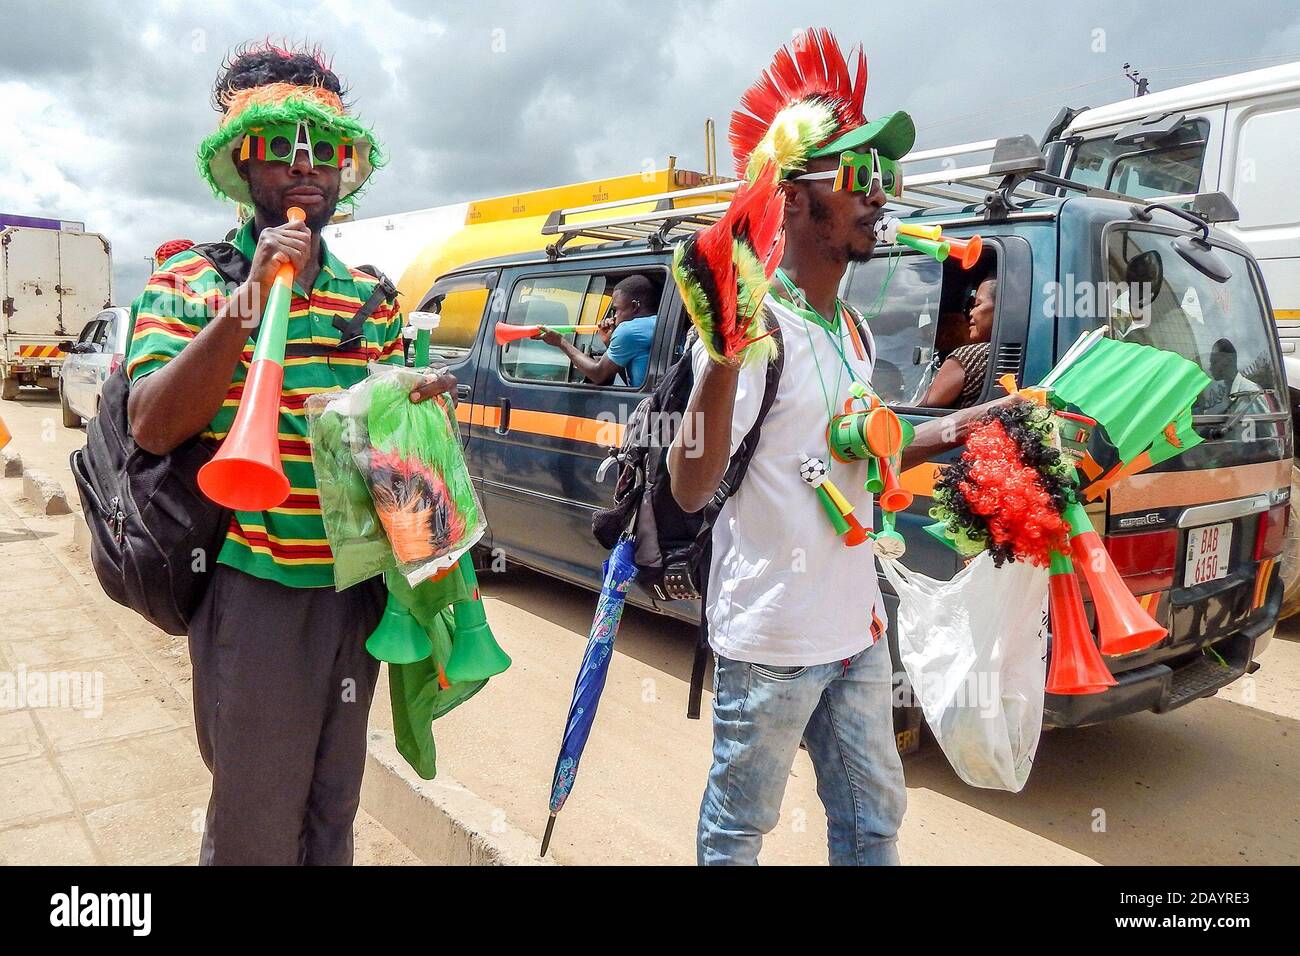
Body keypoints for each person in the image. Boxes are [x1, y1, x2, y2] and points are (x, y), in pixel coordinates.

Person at [667, 28, 1012, 866]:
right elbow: (688, 483)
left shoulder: (851, 330)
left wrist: (975, 424)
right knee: (740, 826)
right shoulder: (755, 333)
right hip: (776, 640)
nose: (880, 196)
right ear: (790, 198)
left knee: (871, 821)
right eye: (858, 178)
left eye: (884, 177)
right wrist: (721, 351)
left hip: (855, 627)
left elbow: (861, 450)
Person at [125, 43, 455, 865]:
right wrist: (246, 305)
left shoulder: (370, 297)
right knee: (254, 826)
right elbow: (150, 425)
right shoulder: (189, 280)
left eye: (328, 149)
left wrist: (414, 421)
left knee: (330, 812)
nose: (307, 168)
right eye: (280, 146)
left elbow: (385, 457)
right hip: (258, 591)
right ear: (243, 163)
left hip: (355, 592)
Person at [539, 274, 658, 386]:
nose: (614, 316)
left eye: (616, 309)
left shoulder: (629, 330)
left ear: (634, 306)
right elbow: (630, 379)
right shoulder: (657, 323)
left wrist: (560, 342)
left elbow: (598, 374)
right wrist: (609, 342)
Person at [920, 277, 996, 408]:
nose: (971, 313)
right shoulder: (997, 353)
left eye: (977, 305)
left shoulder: (968, 356)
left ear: (1000, 308)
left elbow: (924, 406)